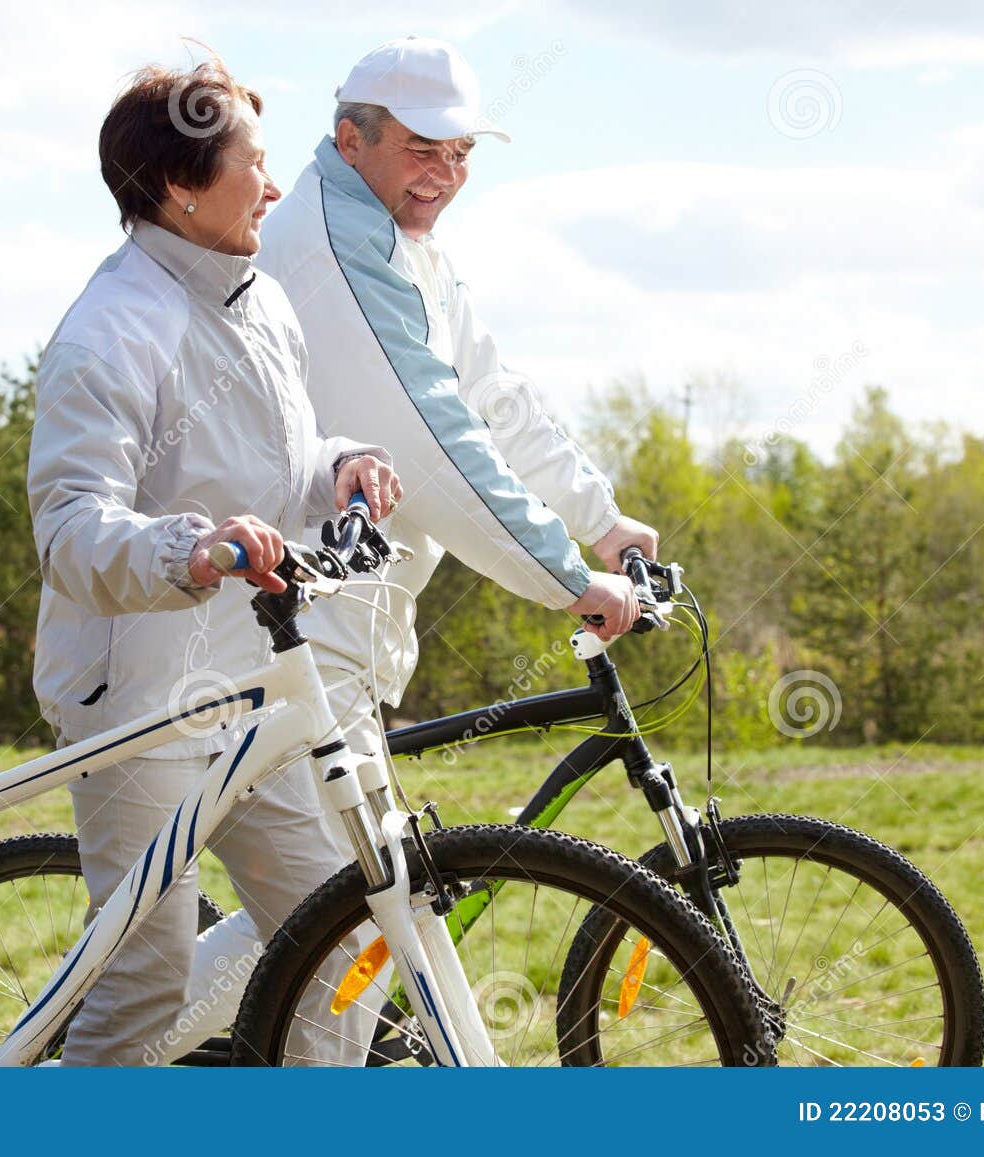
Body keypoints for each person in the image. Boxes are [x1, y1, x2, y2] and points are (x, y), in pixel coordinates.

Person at [167, 37, 660, 1053]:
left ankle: (81, 1057)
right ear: (351, 139)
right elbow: (438, 439)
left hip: (337, 620)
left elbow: (492, 390)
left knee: (328, 917)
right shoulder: (335, 249)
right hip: (281, 620)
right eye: (423, 148)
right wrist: (567, 576)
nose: (447, 171)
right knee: (345, 925)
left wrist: (599, 516)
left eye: (464, 152)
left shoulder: (397, 244)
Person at [27, 55, 399, 1065]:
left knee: (346, 938)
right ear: (181, 190)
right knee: (144, 982)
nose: (275, 189)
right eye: (255, 166)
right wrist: (196, 546)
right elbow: (67, 527)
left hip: (253, 690)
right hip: (138, 703)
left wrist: (342, 467)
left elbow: (276, 464)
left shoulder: (259, 300)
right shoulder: (110, 330)